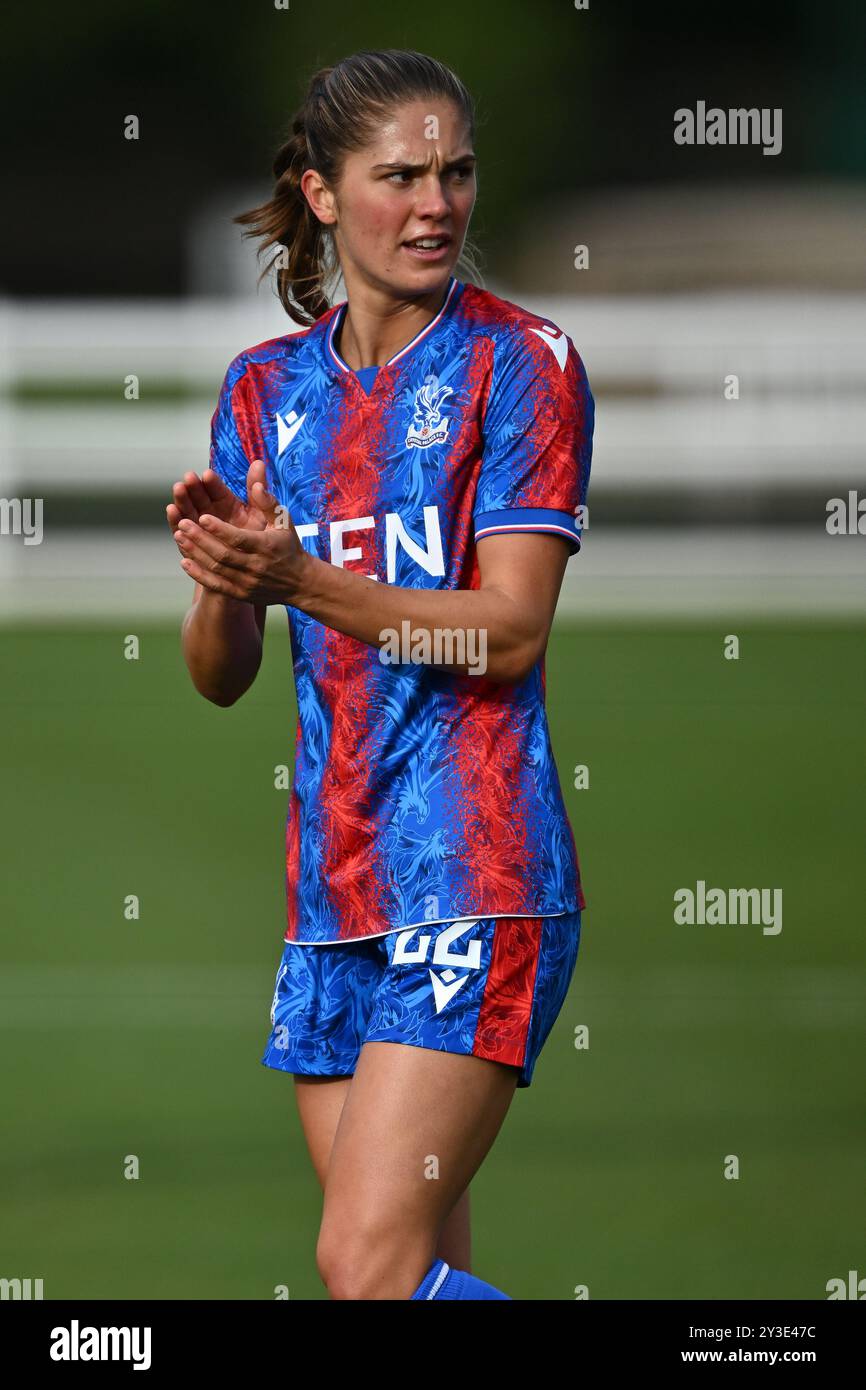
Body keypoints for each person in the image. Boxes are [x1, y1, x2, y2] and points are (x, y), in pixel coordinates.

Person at [166, 48, 594, 1301]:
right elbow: (218, 675)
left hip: (479, 869)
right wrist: (225, 574)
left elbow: (507, 632)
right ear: (318, 193)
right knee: (404, 1284)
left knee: (359, 1266)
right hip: (334, 887)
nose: (436, 204)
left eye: (454, 172)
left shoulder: (521, 363)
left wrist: (299, 581)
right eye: (399, 175)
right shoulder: (261, 392)